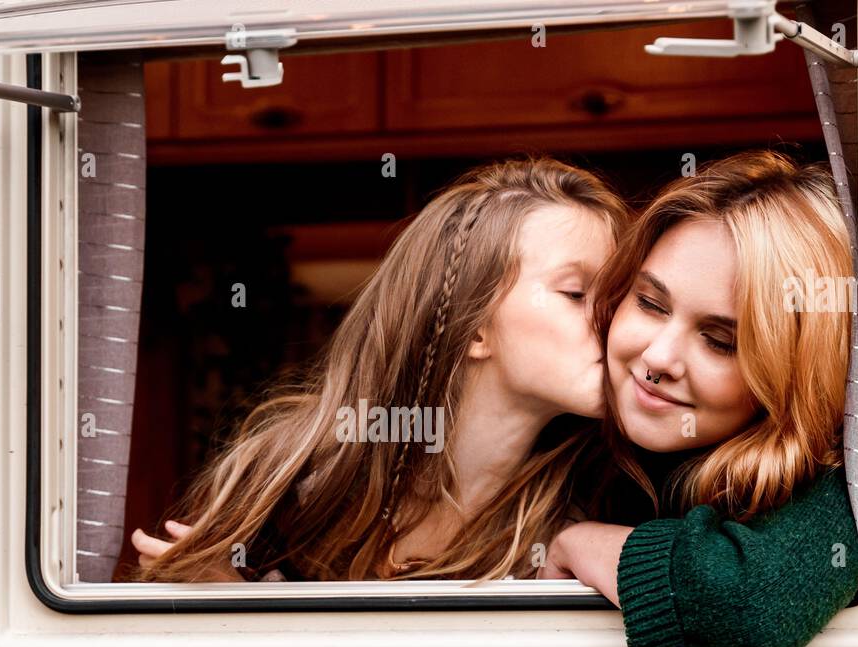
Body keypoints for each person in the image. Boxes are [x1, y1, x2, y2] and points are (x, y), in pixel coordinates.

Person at [128, 156, 630, 583]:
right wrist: (230, 614)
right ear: (473, 327)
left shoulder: (608, 495)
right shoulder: (294, 478)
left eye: (615, 298)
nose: (615, 324)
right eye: (576, 294)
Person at [538, 150, 858, 647]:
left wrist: (580, 544)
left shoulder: (834, 478)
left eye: (718, 341)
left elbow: (751, 606)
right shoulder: (571, 431)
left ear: (794, 373)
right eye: (650, 303)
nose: (658, 357)